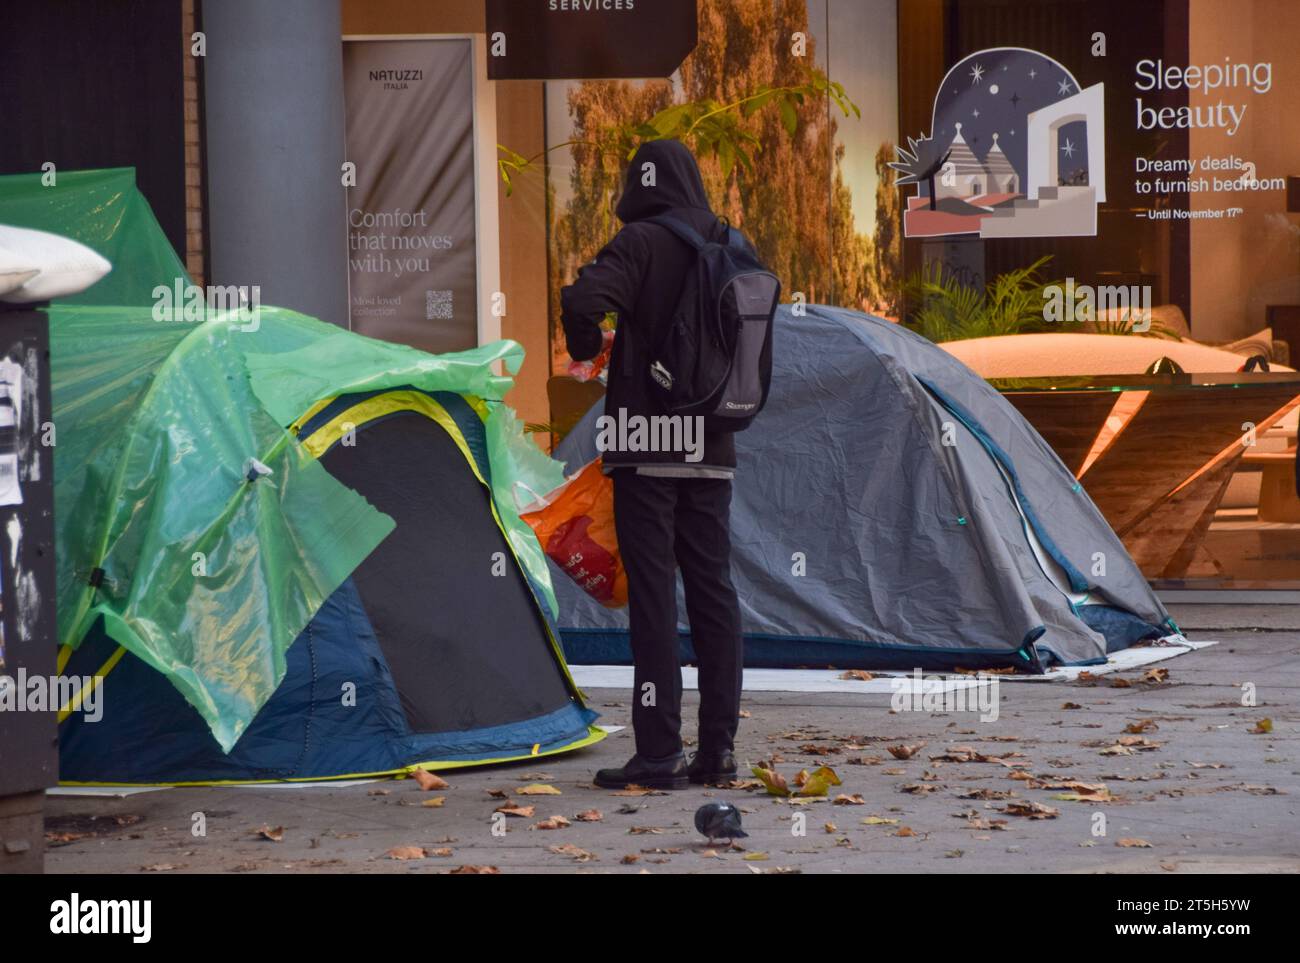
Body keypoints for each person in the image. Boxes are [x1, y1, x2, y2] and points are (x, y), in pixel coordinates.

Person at [561, 139, 747, 790]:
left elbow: (583, 300)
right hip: (713, 444)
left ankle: (658, 752)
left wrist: (588, 346)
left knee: (653, 603)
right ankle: (718, 752)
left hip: (646, 444)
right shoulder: (728, 241)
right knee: (714, 594)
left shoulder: (640, 242)